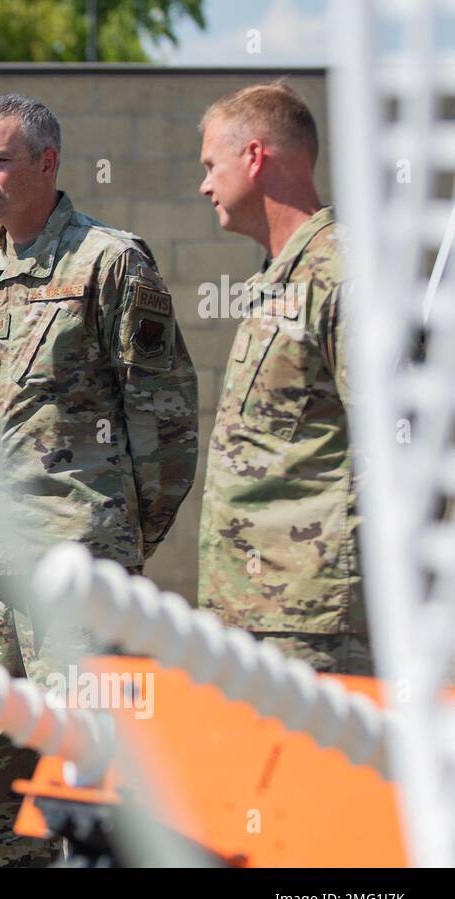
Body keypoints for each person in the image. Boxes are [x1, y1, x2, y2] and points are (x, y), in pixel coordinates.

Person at [0, 94, 199, 867]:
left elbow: (168, 424)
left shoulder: (110, 262)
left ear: (48, 164)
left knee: (95, 765)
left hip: (76, 565)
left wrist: (116, 540)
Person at [196, 82, 371, 675]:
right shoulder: (277, 279)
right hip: (251, 615)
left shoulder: (341, 274)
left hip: (311, 622)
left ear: (254, 156)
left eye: (211, 165)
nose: (204, 184)